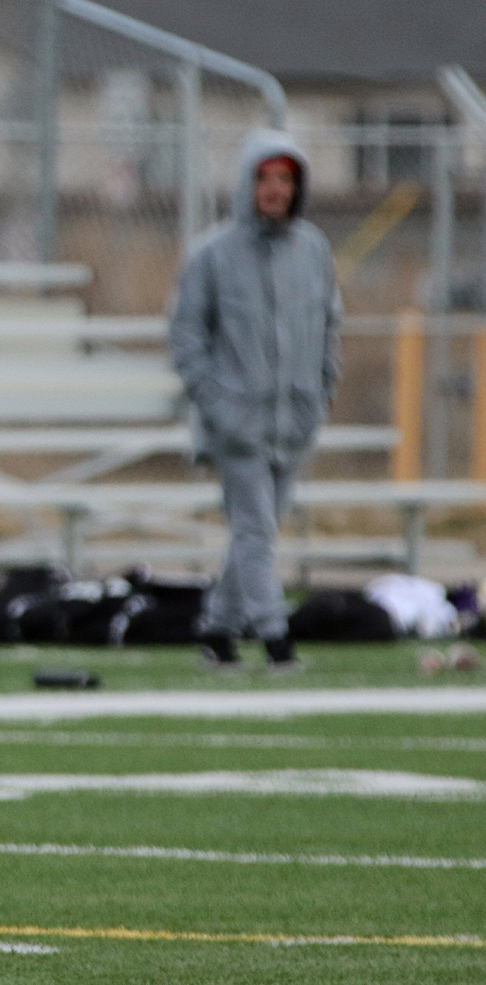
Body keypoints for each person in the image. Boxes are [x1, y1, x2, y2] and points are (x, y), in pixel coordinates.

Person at [169, 130, 341, 673]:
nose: (274, 189)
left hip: (294, 421)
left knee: (252, 536)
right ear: (246, 184)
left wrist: (320, 394)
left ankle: (217, 631)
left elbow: (329, 327)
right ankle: (275, 638)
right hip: (237, 425)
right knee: (257, 531)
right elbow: (187, 337)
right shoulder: (212, 254)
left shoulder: (313, 250)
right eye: (264, 178)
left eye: (284, 179)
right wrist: (219, 406)